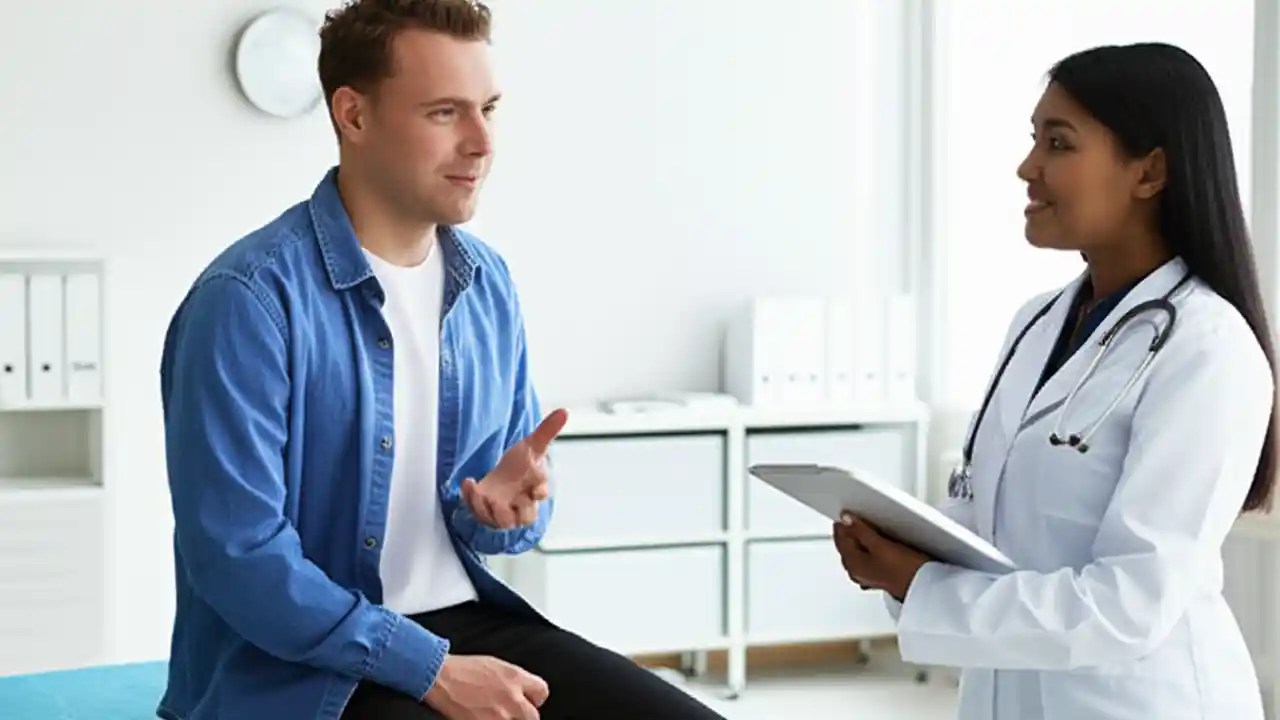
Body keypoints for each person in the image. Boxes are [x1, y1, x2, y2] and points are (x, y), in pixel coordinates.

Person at [156, 2, 726, 719]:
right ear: (354, 116)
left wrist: (503, 513)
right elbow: (239, 560)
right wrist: (430, 670)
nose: (483, 141)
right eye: (444, 113)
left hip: (462, 621)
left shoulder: (486, 287)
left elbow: (498, 515)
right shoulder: (246, 302)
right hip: (291, 668)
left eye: (488, 108)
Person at [833, 42, 1277, 720]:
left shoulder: (1209, 350)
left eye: (1058, 143)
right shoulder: (1035, 323)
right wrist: (905, 551)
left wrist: (924, 586)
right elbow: (996, 521)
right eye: (1033, 139)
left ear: (1150, 172)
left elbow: (1133, 601)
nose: (1027, 168)